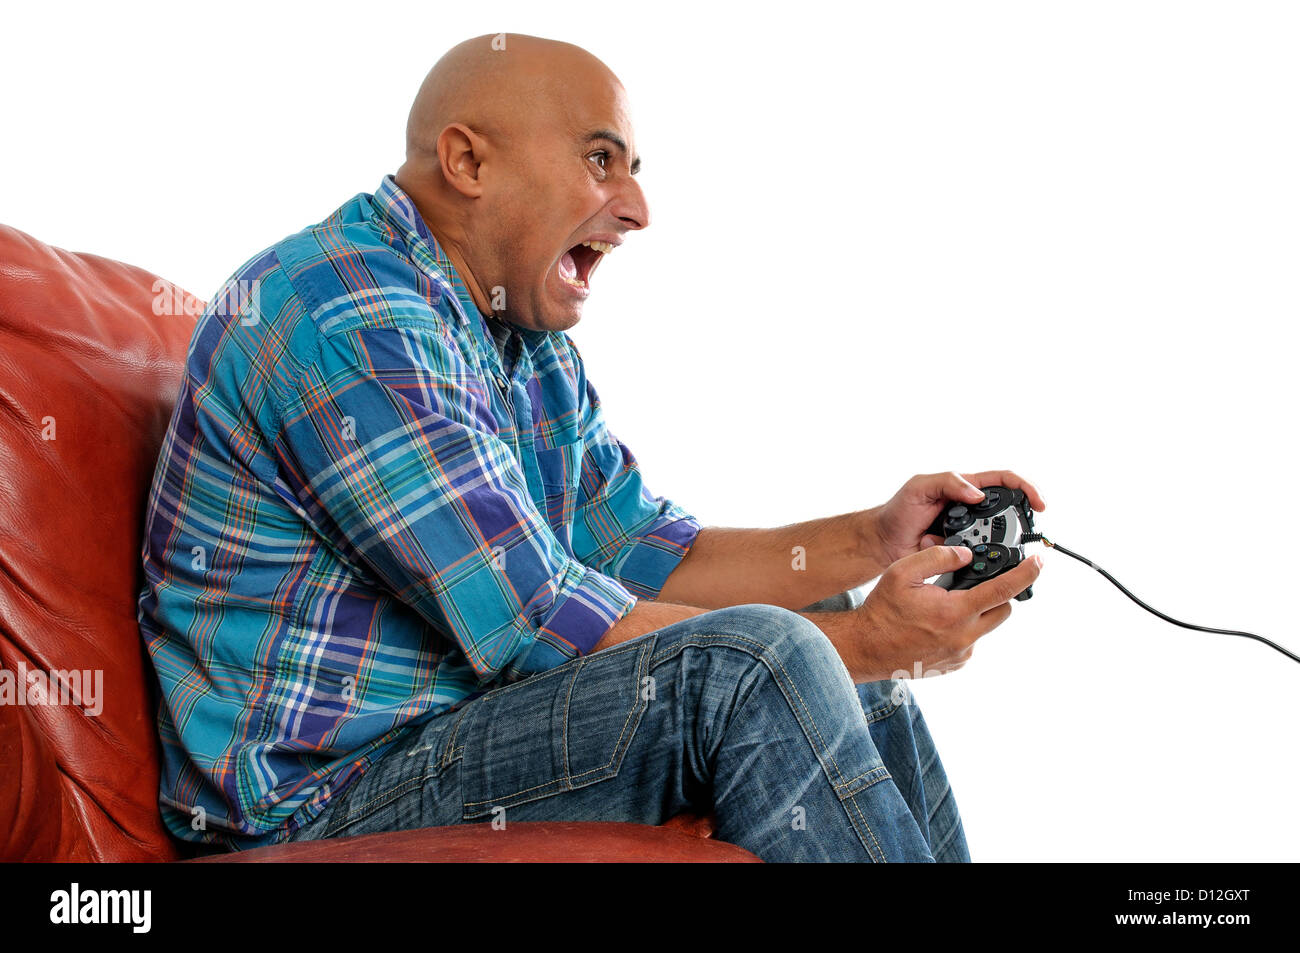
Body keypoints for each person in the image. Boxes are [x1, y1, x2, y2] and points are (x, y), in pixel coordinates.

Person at [137, 33, 1044, 862]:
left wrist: (874, 540)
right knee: (782, 657)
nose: (640, 206)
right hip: (312, 804)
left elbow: (646, 555)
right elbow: (537, 621)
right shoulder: (345, 312)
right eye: (601, 159)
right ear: (467, 161)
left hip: (451, 739)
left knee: (822, 617)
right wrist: (867, 642)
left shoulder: (522, 343)